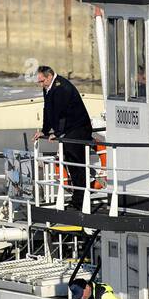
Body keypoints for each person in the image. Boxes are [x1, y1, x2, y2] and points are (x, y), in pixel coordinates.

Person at [34, 65, 94, 211]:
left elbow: (62, 113)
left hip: (78, 129)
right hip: (69, 130)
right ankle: (77, 199)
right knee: (72, 165)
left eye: (41, 81)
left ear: (49, 77)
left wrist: (58, 132)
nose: (40, 84)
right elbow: (47, 109)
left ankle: (81, 202)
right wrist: (45, 130)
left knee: (78, 165)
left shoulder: (62, 88)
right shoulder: (48, 87)